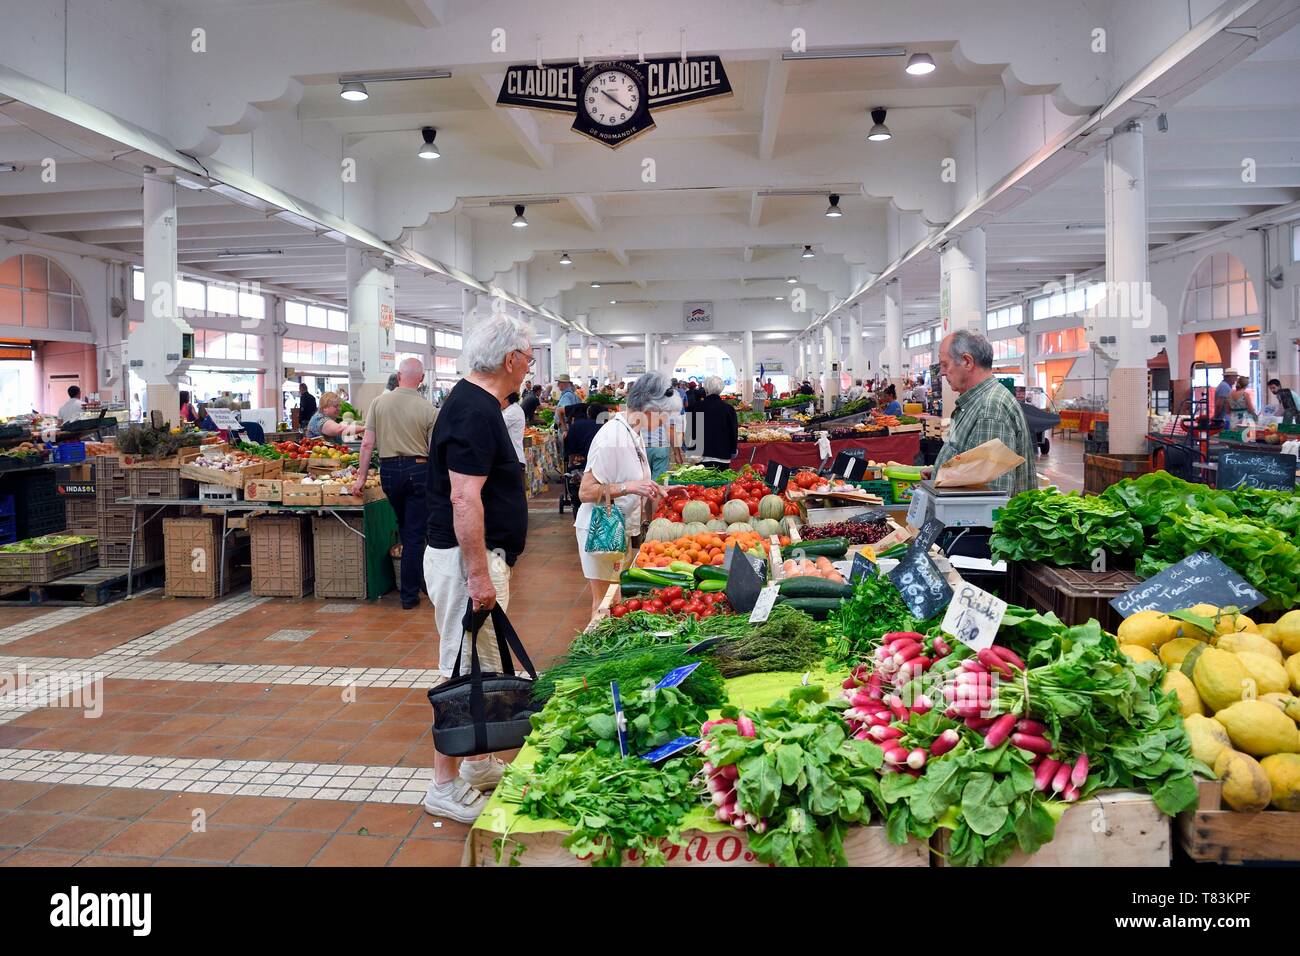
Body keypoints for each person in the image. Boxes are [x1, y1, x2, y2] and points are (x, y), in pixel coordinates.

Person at [423, 314, 535, 821]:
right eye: (528, 358)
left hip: (478, 557)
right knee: (460, 665)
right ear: (510, 359)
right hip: (464, 561)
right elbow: (463, 499)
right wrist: (478, 574)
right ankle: (442, 785)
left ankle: (477, 764)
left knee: (483, 665)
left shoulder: (482, 405)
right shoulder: (474, 410)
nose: (529, 368)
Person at [575, 371, 670, 616]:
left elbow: (631, 478)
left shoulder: (633, 434)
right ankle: (597, 650)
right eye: (664, 414)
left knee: (615, 600)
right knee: (604, 604)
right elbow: (585, 492)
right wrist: (629, 487)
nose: (665, 420)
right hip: (601, 530)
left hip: (619, 529)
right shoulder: (611, 436)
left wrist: (657, 488)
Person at [350, 358, 437, 610]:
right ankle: (410, 595)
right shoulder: (429, 409)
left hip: (388, 472)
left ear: (399, 375)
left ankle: (415, 584)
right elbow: (434, 450)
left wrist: (361, 478)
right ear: (421, 380)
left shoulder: (378, 403)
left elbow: (367, 444)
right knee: (414, 534)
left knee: (406, 528)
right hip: (419, 470)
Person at [935, 330, 1037, 495]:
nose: (942, 372)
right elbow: (972, 468)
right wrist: (939, 473)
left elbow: (992, 496)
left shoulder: (990, 409)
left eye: (945, 364)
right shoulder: (972, 404)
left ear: (967, 362)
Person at [699, 375, 740, 469]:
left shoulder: (697, 407)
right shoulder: (729, 409)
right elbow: (733, 431)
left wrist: (692, 452)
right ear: (721, 389)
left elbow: (692, 432)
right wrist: (733, 451)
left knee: (702, 483)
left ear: (706, 388)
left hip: (701, 456)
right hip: (723, 455)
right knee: (722, 482)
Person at [503, 391, 526, 463]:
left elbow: (496, 426)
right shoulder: (510, 409)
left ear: (506, 399)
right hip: (512, 457)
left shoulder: (513, 411)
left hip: (513, 458)